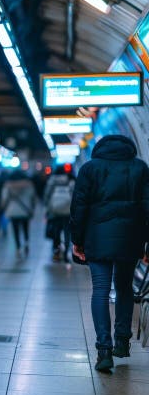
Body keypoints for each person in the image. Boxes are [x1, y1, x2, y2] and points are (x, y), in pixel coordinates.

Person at [70, 135, 149, 372]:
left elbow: (79, 206)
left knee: (101, 290)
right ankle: (122, 341)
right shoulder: (140, 168)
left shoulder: (89, 168)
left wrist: (77, 240)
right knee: (124, 287)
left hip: (97, 237)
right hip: (130, 238)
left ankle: (104, 350)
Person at [1, 169, 36, 256]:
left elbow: (4, 198)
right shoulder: (29, 185)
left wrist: (3, 207)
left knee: (15, 229)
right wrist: (32, 208)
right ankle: (26, 242)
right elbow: (33, 198)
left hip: (13, 211)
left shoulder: (8, 186)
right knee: (25, 228)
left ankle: (18, 247)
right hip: (25, 210)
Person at [44, 165, 75, 262]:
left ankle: (56, 252)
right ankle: (66, 252)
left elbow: (46, 195)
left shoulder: (52, 180)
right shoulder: (71, 180)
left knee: (56, 231)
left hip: (55, 210)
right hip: (68, 210)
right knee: (67, 232)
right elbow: (75, 196)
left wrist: (48, 207)